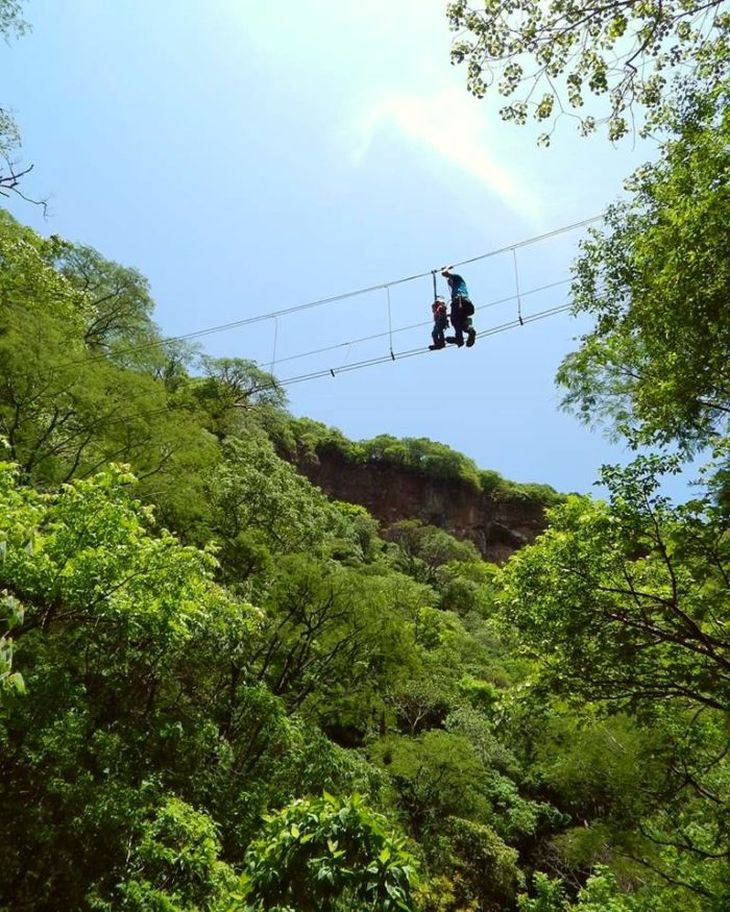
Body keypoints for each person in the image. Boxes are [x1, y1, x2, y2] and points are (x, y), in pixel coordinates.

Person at [441, 267, 476, 348]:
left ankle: (459, 339)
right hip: (467, 305)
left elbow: (444, 273)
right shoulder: (460, 286)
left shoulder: (458, 278)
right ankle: (470, 331)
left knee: (455, 320)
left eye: (450, 281)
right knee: (461, 322)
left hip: (459, 300)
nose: (449, 282)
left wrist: (447, 268)